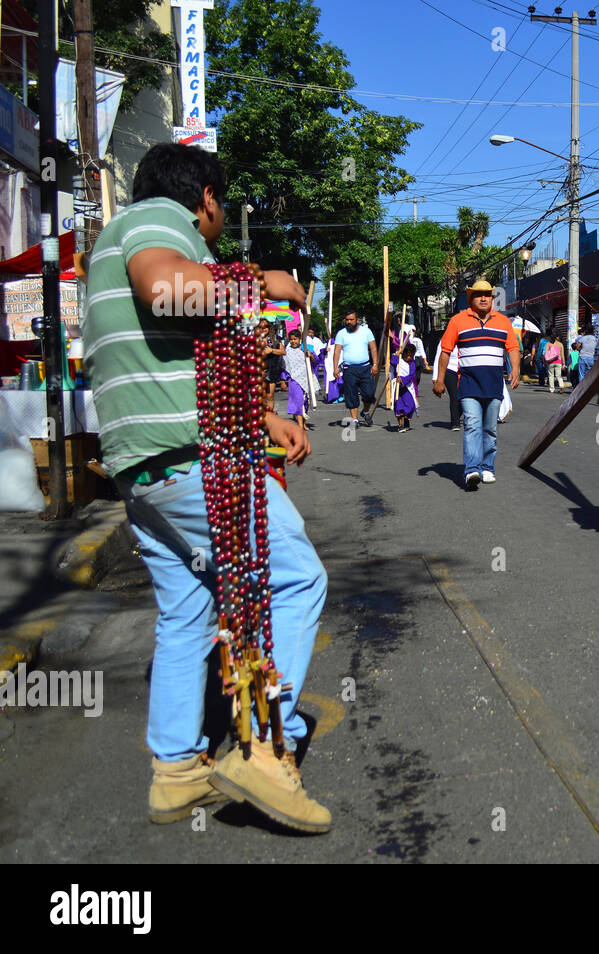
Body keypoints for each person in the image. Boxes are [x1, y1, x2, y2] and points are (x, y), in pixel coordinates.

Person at [83, 141, 329, 832]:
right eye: (218, 214)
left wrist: (265, 416)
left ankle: (176, 770)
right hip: (194, 461)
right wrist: (263, 282)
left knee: (189, 610)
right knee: (297, 578)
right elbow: (167, 288)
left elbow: (168, 359)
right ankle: (262, 749)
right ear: (209, 200)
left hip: (146, 468)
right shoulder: (160, 220)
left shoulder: (116, 235)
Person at [434, 279, 520, 489]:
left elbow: (513, 347)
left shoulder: (503, 321)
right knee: (472, 426)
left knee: (490, 429)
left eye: (487, 294)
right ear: (471, 298)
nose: (483, 298)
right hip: (469, 385)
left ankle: (488, 467)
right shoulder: (457, 321)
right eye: (478, 295)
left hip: (493, 385)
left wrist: (515, 369)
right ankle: (472, 470)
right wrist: (439, 379)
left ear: (492, 297)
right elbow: (445, 350)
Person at [332, 311, 378, 426]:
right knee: (351, 394)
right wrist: (335, 368)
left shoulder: (366, 331)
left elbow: (373, 348)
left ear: (357, 320)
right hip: (349, 369)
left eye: (351, 319)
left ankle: (365, 411)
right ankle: (355, 419)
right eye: (347, 320)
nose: (349, 322)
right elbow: (337, 351)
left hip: (365, 367)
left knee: (369, 393)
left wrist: (375, 364)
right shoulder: (341, 334)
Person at [283, 328, 312, 430]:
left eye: (295, 339)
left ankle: (303, 422)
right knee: (298, 401)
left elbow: (315, 361)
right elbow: (284, 365)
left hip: (306, 379)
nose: (293, 341)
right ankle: (300, 424)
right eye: (291, 339)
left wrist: (310, 355)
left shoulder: (305, 348)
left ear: (300, 339)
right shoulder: (287, 350)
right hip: (294, 380)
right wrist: (283, 380)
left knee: (306, 402)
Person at [258, 319, 284, 411]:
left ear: (269, 328)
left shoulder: (275, 339)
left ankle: (270, 417)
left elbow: (283, 352)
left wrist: (272, 350)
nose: (263, 329)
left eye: (265, 327)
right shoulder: (254, 338)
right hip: (258, 370)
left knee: (270, 396)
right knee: (261, 396)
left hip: (272, 370)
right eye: (261, 327)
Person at [392, 342, 419, 432]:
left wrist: (402, 380)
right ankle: (400, 425)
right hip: (398, 389)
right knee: (399, 406)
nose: (409, 358)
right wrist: (398, 353)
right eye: (408, 356)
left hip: (407, 388)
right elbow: (392, 361)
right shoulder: (399, 360)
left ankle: (406, 420)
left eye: (411, 356)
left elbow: (411, 376)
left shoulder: (412, 364)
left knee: (410, 405)